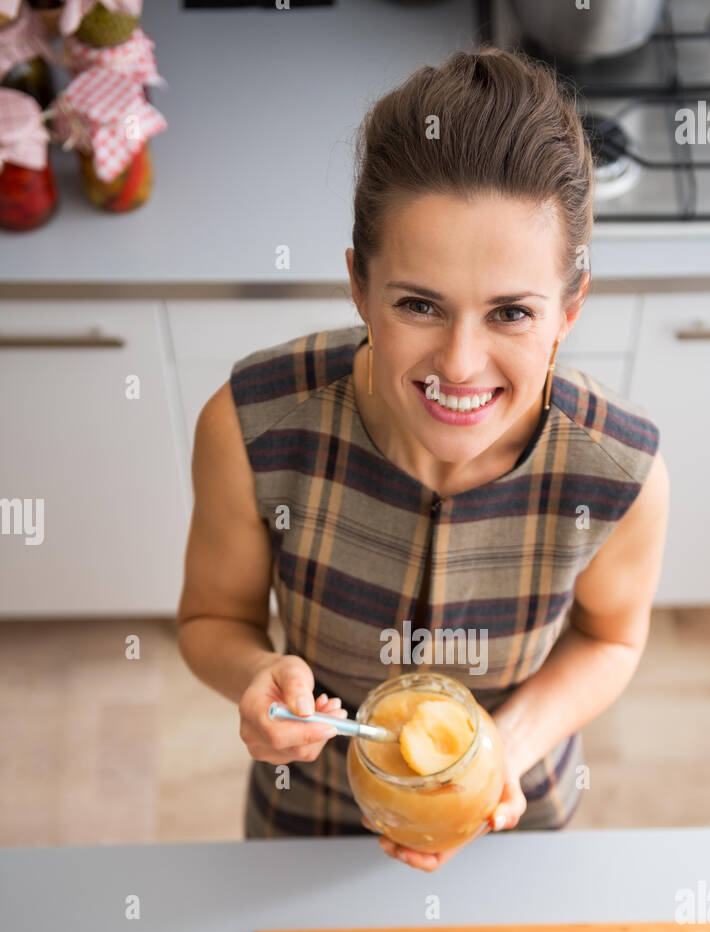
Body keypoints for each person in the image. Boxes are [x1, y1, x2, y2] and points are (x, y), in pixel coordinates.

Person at [177, 47, 669, 873]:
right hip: (308, 824)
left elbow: (611, 641)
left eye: (511, 312)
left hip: (516, 822)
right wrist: (258, 673)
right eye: (417, 304)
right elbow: (209, 623)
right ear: (358, 287)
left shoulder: (619, 472)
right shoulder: (252, 426)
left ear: (568, 311)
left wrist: (505, 747)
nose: (461, 364)